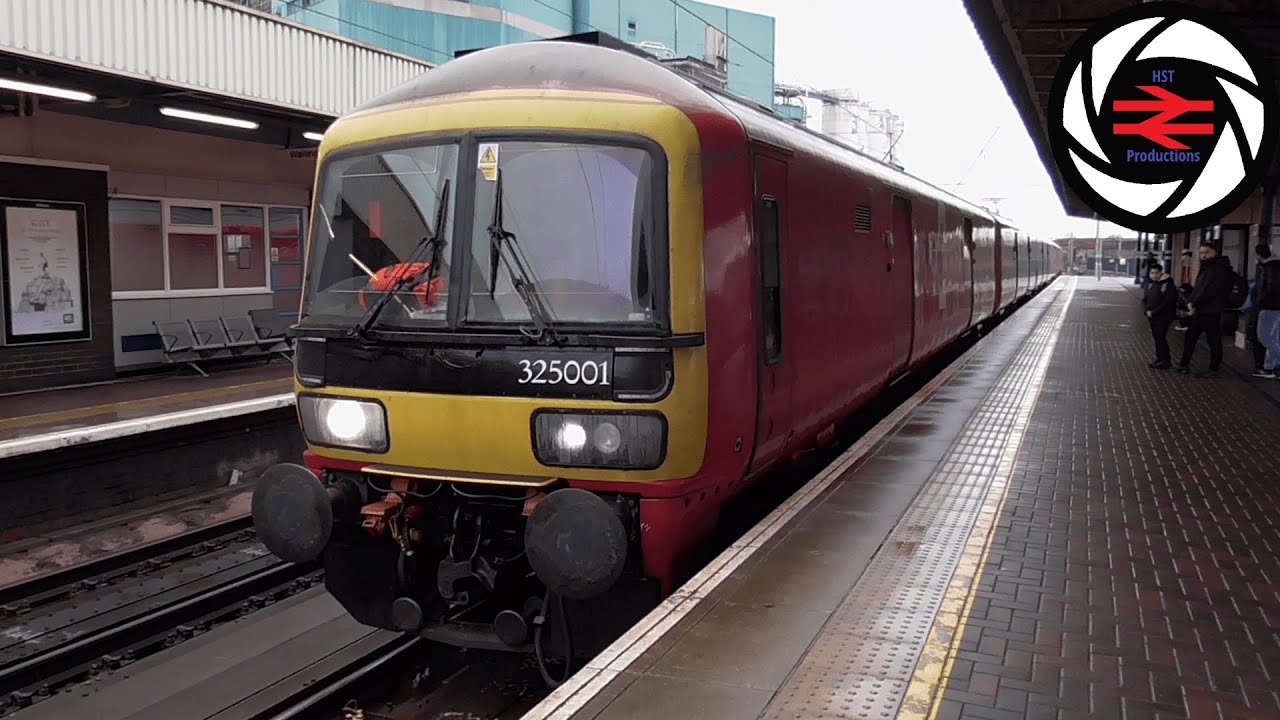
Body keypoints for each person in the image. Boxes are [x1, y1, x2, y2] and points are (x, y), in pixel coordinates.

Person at [1175, 242, 1233, 377]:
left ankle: (1200, 367)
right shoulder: (1209, 268)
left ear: (1214, 252)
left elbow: (1208, 291)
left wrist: (1194, 304)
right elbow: (1199, 288)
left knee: (1206, 339)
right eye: (1201, 253)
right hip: (1204, 309)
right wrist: (1191, 302)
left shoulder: (1217, 269)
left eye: (1206, 252)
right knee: (1205, 338)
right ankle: (1191, 365)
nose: (1203, 256)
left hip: (1209, 311)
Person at [1144, 263, 1178, 369]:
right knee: (1157, 338)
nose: (1154, 275)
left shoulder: (1167, 284)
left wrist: (1153, 312)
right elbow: (1148, 300)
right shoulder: (1153, 284)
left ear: (1161, 273)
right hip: (1153, 316)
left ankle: (1165, 360)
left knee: (1160, 338)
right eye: (1152, 273)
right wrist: (1147, 311)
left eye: (1156, 273)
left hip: (1163, 317)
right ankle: (1160, 359)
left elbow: (1167, 302)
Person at [1256, 243, 1280, 379]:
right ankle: (1270, 367)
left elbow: (1270, 287)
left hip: (1270, 306)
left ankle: (1273, 366)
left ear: (1259, 255)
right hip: (1276, 307)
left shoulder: (1269, 267)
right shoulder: (1277, 265)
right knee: (1274, 337)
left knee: (1264, 337)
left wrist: (1260, 301)